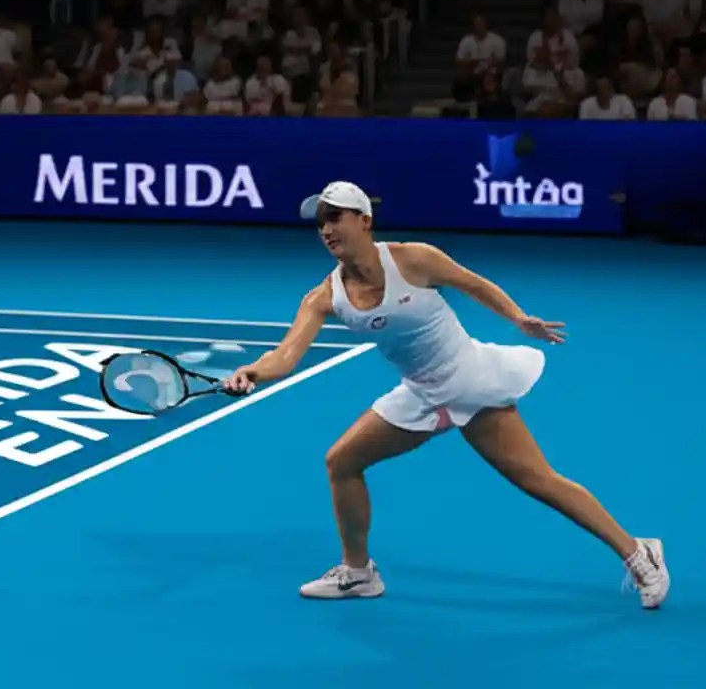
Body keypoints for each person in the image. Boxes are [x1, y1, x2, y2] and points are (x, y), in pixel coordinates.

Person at [222, 181, 669, 610]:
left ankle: (638, 553)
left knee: (538, 480)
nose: (326, 229)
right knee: (342, 461)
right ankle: (359, 573)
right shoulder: (324, 296)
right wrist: (252, 372)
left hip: (469, 379)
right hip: (420, 392)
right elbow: (285, 356)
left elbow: (473, 283)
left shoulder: (414, 259)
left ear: (364, 220)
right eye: (320, 222)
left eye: (335, 217)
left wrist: (519, 319)